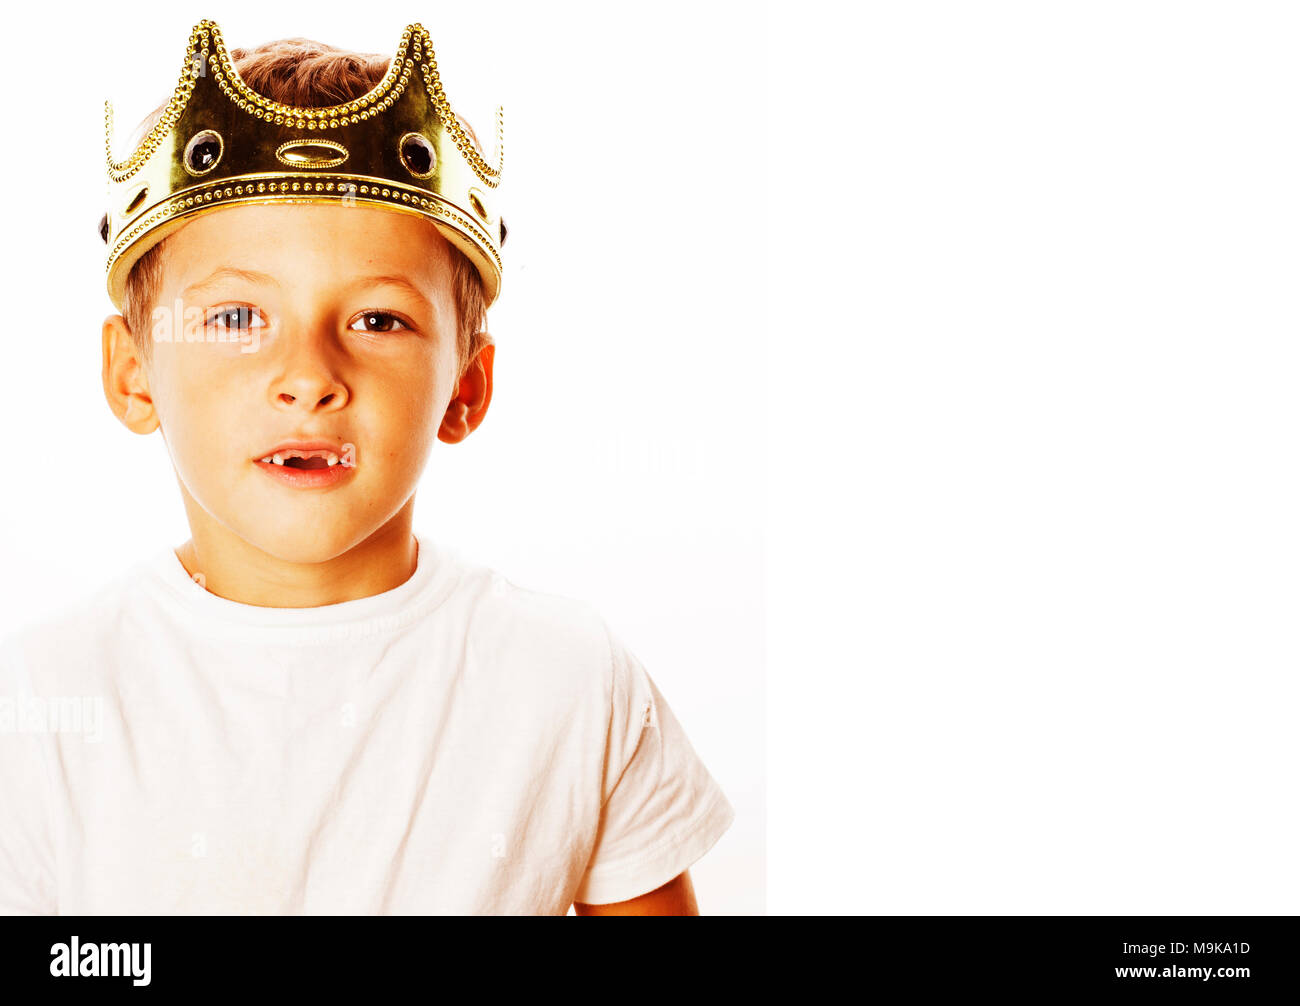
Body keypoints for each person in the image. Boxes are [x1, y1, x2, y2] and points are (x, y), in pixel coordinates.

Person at [0, 19, 734, 915]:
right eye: (235, 318)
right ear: (131, 374)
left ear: (466, 384)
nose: (308, 377)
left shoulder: (574, 685)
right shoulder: (44, 700)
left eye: (378, 320)